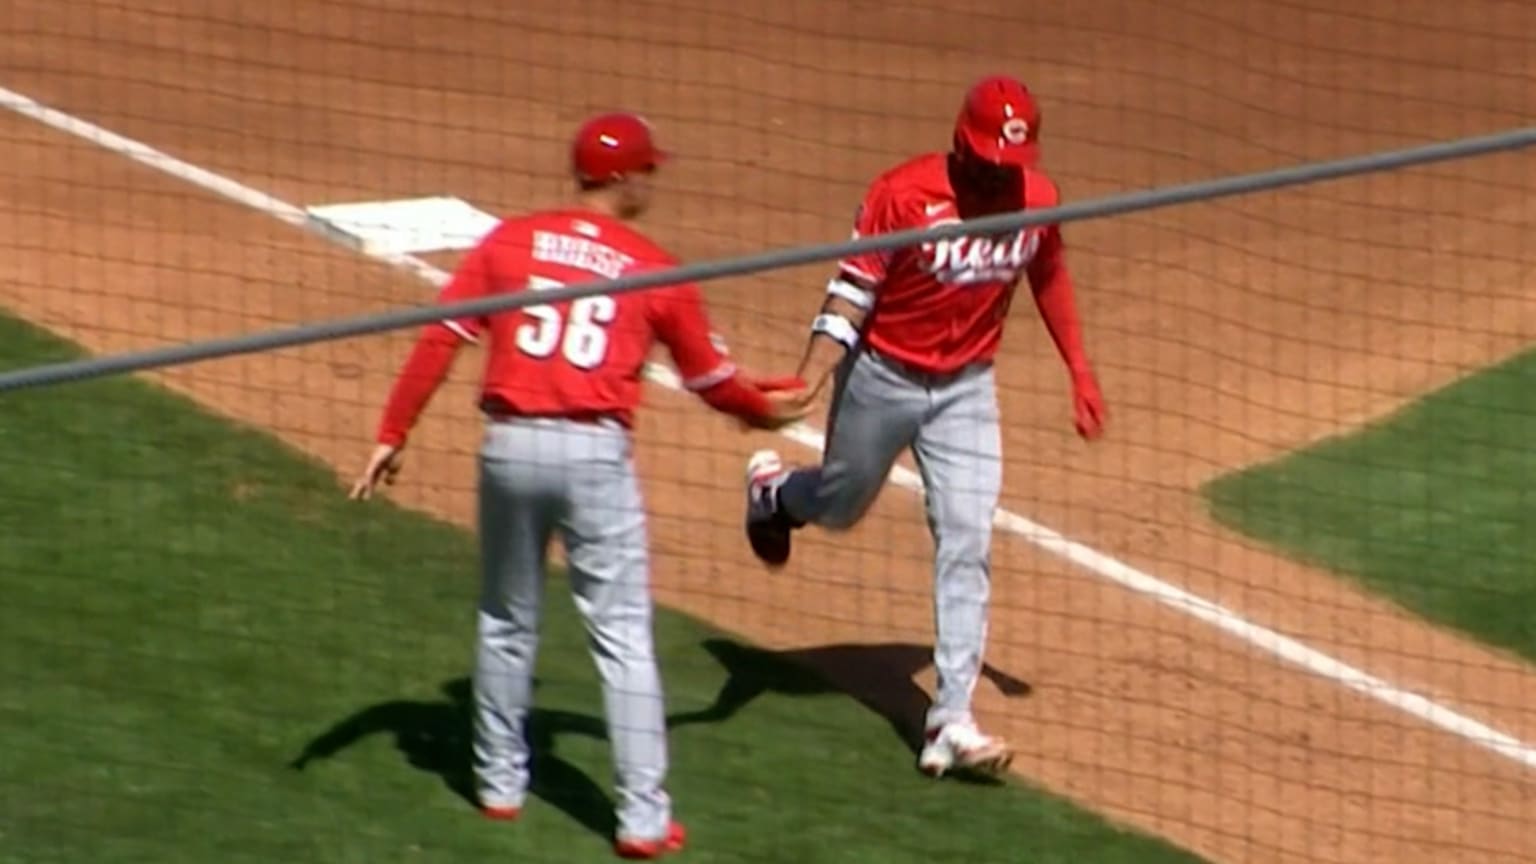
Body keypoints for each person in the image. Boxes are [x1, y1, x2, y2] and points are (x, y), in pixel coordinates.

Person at [349, 111, 809, 859]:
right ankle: (641, 820)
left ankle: (497, 786)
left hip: (509, 450)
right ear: (621, 177)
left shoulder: (509, 241)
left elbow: (444, 335)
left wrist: (391, 434)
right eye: (648, 170)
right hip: (593, 458)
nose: (653, 181)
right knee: (622, 636)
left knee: (504, 619)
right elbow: (713, 383)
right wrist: (764, 413)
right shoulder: (654, 267)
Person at [741, 75, 1108, 780]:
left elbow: (1049, 273)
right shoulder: (901, 195)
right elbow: (852, 291)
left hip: (968, 387)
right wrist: (814, 375)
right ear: (960, 145)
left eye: (1014, 162)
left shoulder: (1038, 199)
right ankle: (777, 495)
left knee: (966, 535)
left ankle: (952, 721)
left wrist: (1080, 370)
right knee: (843, 505)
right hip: (884, 378)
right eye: (991, 160)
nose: (1003, 174)